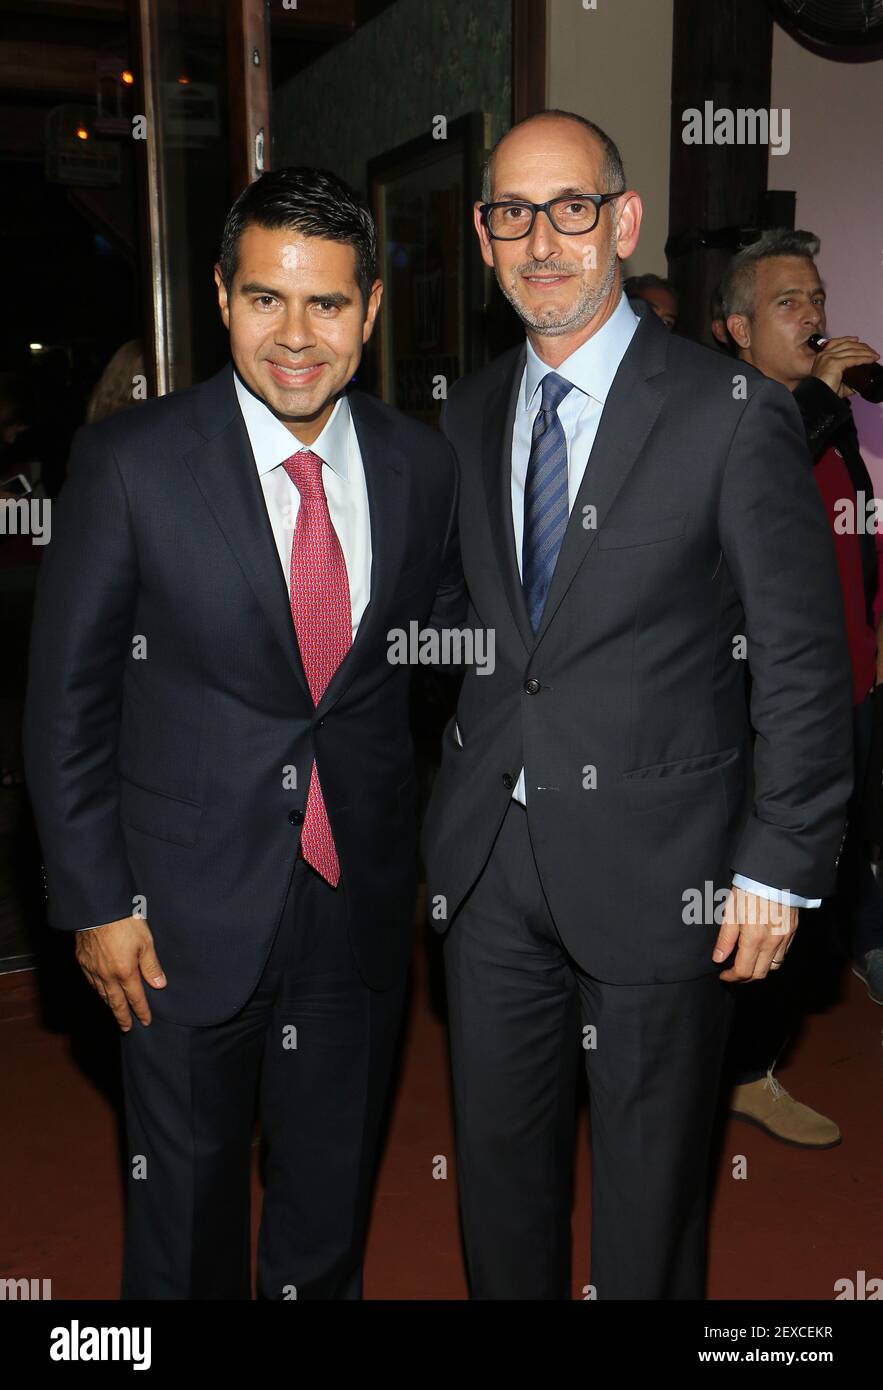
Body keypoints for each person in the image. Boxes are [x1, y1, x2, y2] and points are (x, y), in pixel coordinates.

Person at [421, 109, 853, 1300]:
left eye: (569, 209)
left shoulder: (731, 416)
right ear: (483, 233)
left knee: (650, 1201)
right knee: (501, 1184)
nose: (540, 240)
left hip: (669, 870)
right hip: (492, 861)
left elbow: (804, 661)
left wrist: (780, 858)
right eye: (512, 213)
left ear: (622, 221)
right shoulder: (466, 412)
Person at [23, 166, 463, 1299]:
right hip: (176, 913)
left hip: (354, 908)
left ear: (370, 311)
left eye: (326, 303)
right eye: (266, 297)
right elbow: (66, 703)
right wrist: (92, 898)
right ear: (221, 298)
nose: (296, 336)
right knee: (183, 1217)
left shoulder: (421, 467)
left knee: (327, 1203)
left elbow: (434, 663)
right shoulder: (131, 465)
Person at [722, 231, 883, 1099]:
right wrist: (821, 401)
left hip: (849, 693)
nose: (813, 316)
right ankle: (736, 1072)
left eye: (815, 299)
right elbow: (767, 490)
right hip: (771, 713)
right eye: (787, 303)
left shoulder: (828, 419)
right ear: (736, 330)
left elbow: (847, 537)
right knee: (765, 897)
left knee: (824, 900)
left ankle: (755, 1064)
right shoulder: (731, 416)